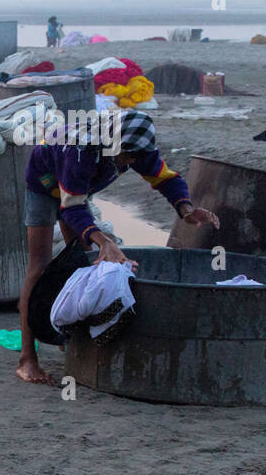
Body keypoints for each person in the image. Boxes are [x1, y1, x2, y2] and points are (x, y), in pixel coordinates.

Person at [16, 110, 220, 384]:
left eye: (135, 156)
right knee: (40, 266)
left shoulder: (136, 146)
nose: (130, 161)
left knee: (77, 260)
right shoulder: (80, 150)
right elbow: (72, 208)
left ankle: (67, 333)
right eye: (126, 155)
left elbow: (166, 178)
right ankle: (27, 359)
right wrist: (104, 241)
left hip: (77, 191)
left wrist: (186, 209)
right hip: (45, 183)